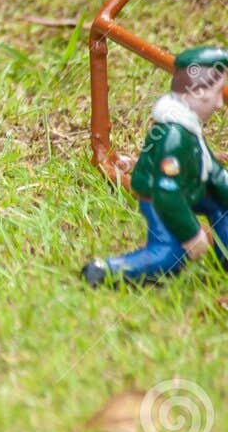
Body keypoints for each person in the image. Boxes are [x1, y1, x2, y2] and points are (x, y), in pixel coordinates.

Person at [84, 45, 228, 286]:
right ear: (196, 93)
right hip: (162, 198)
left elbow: (210, 168)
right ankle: (105, 271)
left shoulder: (189, 125)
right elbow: (167, 192)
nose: (219, 105)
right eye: (215, 95)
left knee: (223, 207)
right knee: (169, 256)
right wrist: (191, 233)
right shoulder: (173, 136)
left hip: (191, 186)